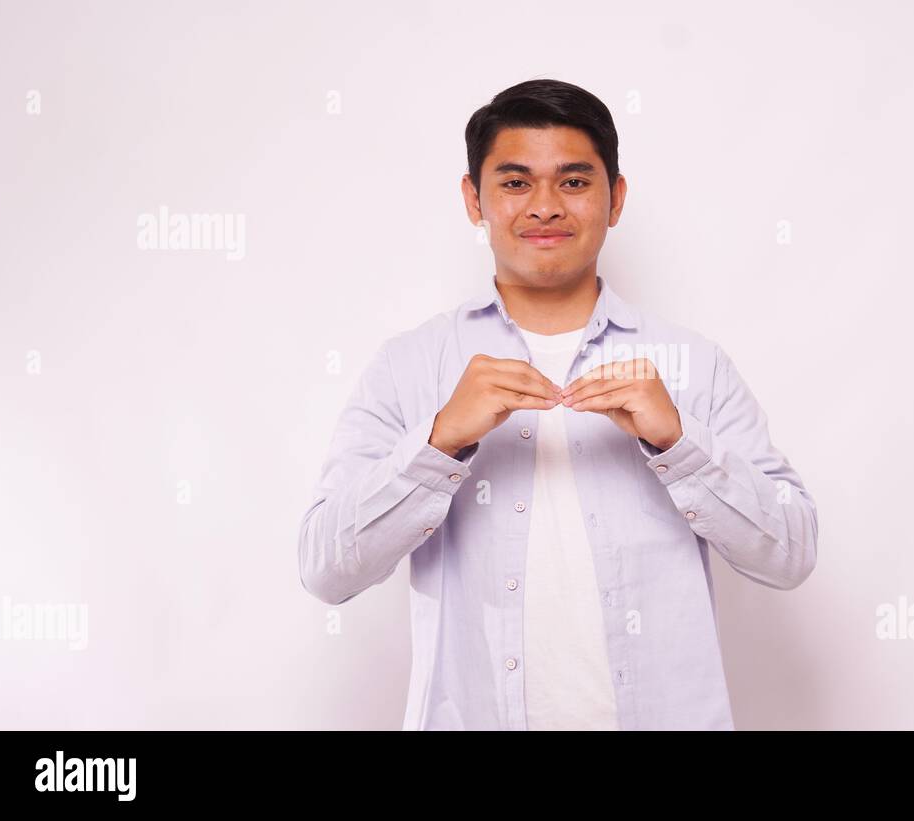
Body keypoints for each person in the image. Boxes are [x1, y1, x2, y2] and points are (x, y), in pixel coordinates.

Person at [297, 78, 818, 730]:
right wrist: (438, 443)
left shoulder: (693, 364)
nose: (544, 206)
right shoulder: (410, 367)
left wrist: (681, 443)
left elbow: (791, 551)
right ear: (473, 198)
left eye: (573, 181)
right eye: (515, 182)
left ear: (615, 197)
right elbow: (324, 568)